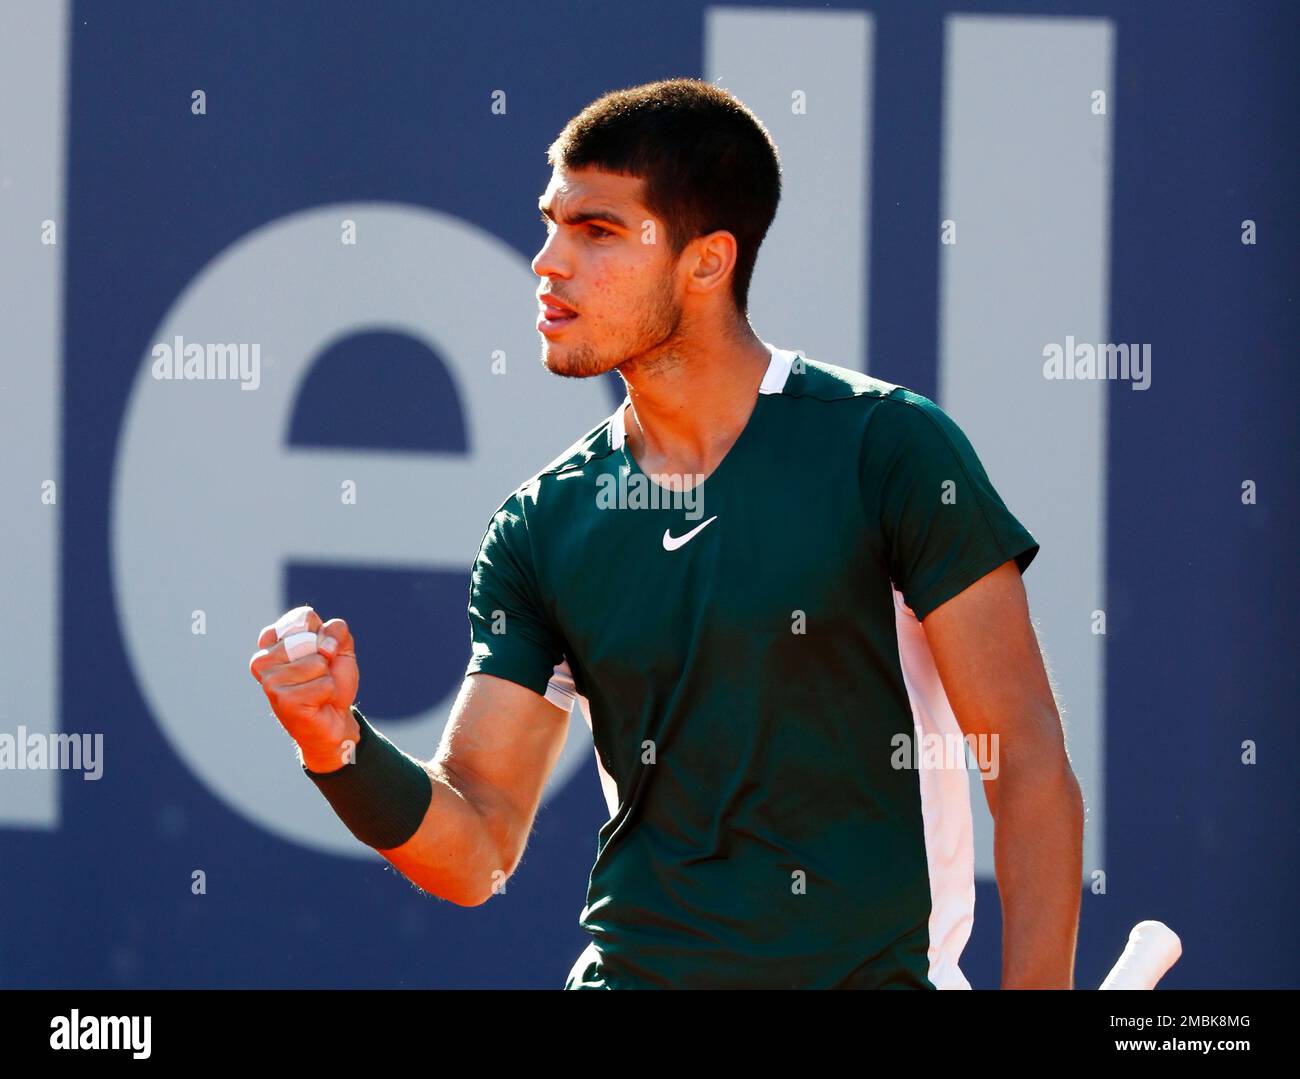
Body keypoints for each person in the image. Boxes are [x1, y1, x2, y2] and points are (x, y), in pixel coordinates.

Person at [249, 77, 1083, 990]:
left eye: (596, 231)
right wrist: (337, 747)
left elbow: (1026, 757)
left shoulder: (889, 450)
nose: (547, 262)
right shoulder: (544, 524)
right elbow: (477, 844)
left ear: (706, 262)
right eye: (551, 223)